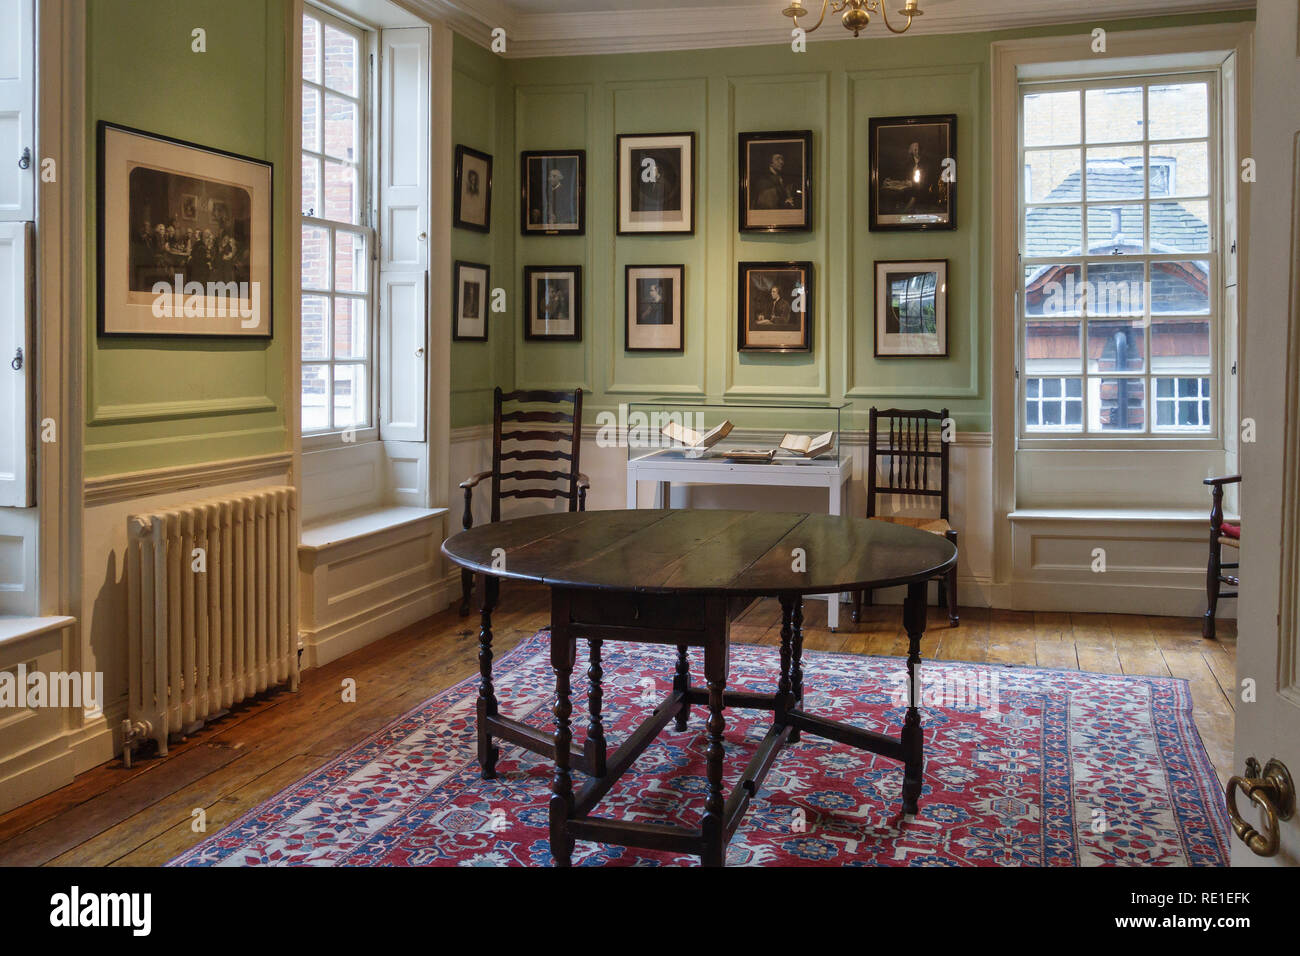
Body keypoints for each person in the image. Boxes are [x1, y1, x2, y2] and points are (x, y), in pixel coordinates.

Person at [880, 135, 946, 218]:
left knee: (917, 187)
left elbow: (928, 179)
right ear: (911, 151)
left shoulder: (927, 162)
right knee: (891, 188)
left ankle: (908, 207)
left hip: (924, 186)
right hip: (910, 185)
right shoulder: (909, 162)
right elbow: (902, 174)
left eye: (919, 149)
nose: (917, 151)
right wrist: (892, 180)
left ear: (922, 150)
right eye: (915, 150)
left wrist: (912, 182)